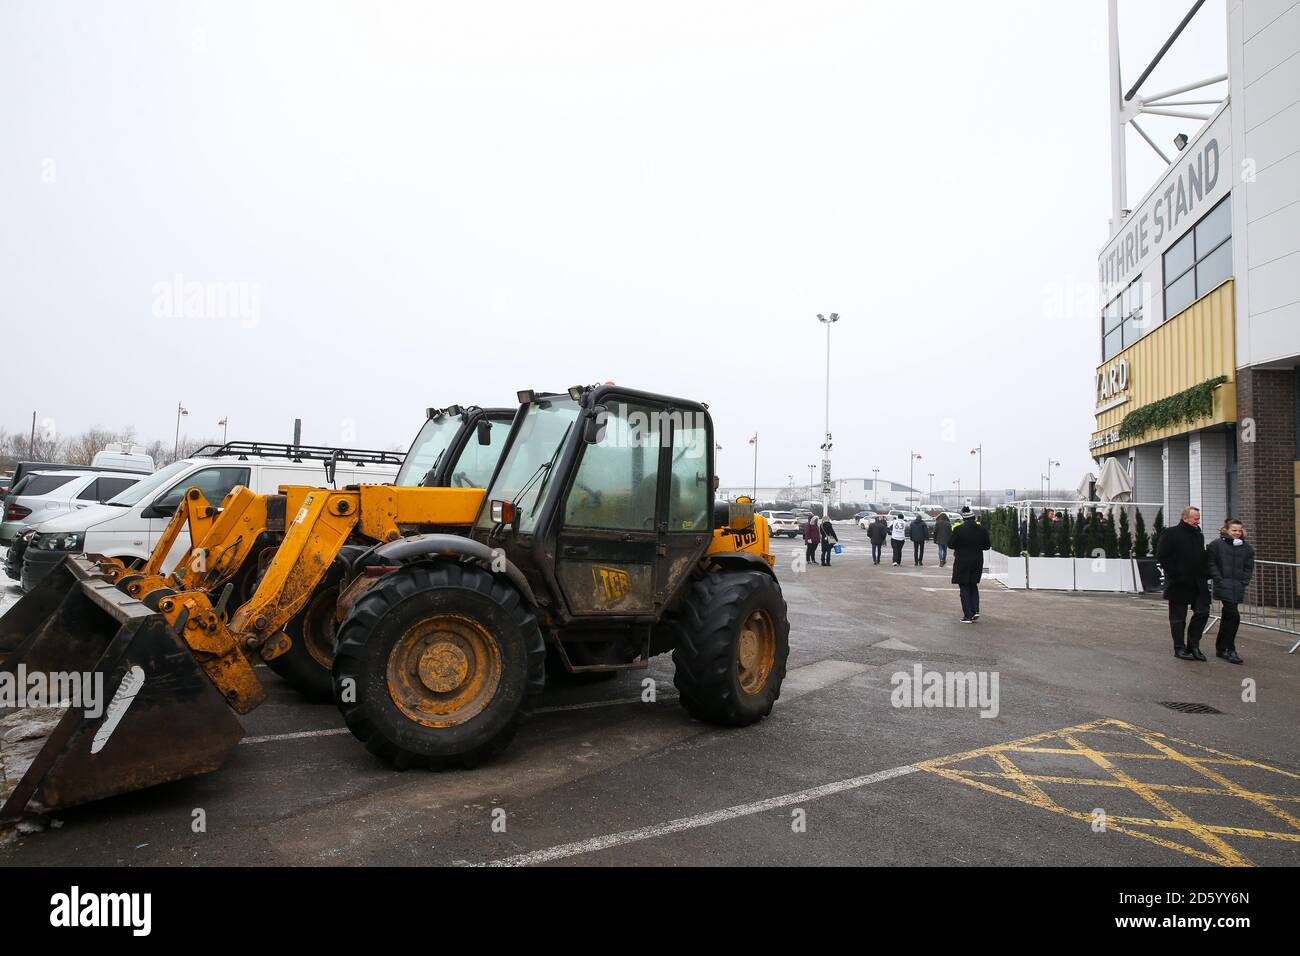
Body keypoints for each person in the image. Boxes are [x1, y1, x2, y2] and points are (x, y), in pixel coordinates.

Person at [1156, 505, 1210, 661]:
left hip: (1198, 583)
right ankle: (1179, 648)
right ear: (1185, 518)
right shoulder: (1171, 533)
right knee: (1178, 618)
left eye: (1198, 518)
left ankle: (1194, 646)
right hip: (1178, 583)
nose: (1198, 521)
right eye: (1195, 518)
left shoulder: (1199, 535)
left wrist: (1206, 572)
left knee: (1202, 613)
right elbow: (1162, 556)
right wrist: (1175, 574)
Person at [1205, 518, 1254, 665]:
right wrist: (1218, 578)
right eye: (1234, 530)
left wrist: (1244, 581)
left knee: (1229, 615)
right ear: (1227, 530)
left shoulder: (1246, 548)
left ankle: (1221, 647)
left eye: (1239, 530)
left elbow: (1248, 567)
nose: (1237, 533)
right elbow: (1211, 563)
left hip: (1237, 586)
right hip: (1224, 584)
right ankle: (1229, 648)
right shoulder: (1216, 545)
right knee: (1233, 615)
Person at [949, 506, 990, 623]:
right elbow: (987, 546)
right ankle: (975, 610)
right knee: (973, 585)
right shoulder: (982, 529)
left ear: (964, 518)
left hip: (962, 561)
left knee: (964, 586)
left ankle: (968, 615)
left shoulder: (958, 530)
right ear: (973, 517)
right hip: (977, 561)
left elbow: (951, 545)